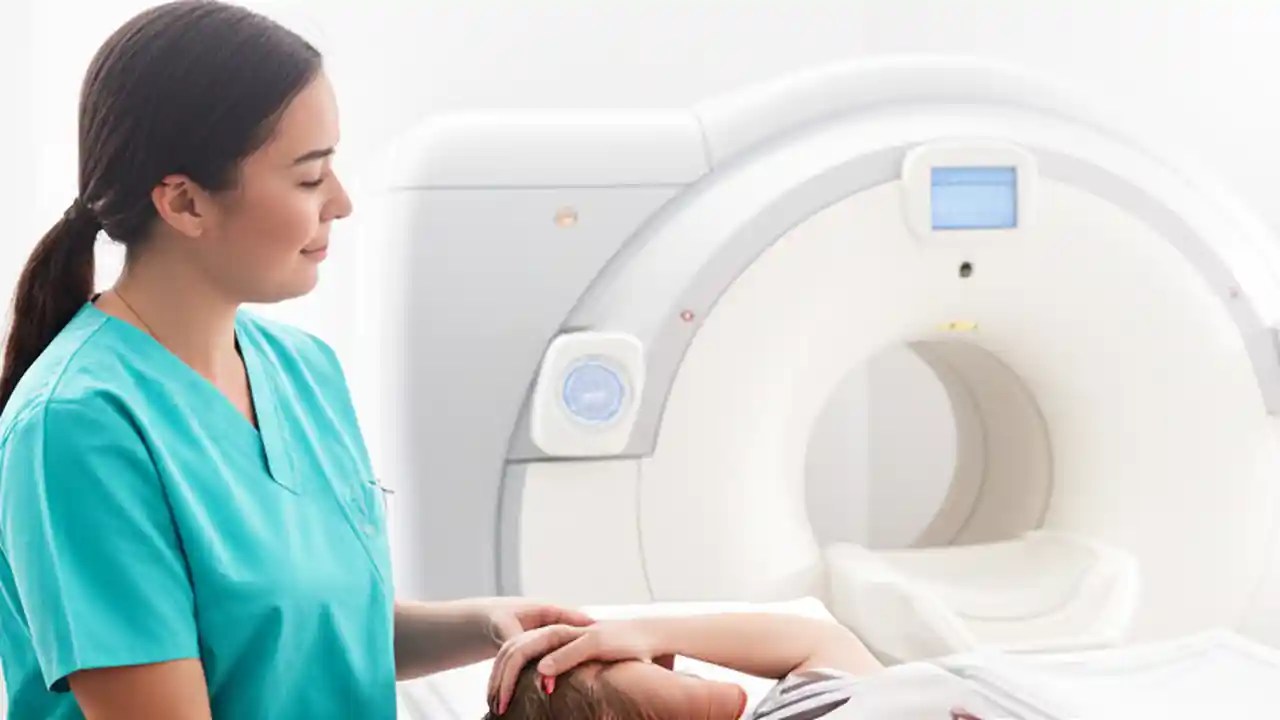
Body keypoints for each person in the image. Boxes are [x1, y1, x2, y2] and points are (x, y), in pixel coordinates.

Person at [0, 2, 588, 718]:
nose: (340, 202)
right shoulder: (76, 428)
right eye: (310, 178)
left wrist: (488, 625)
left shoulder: (304, 369)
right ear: (185, 203)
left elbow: (304, 636)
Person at [486, 613, 999, 720]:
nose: (657, 660)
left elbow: (818, 639)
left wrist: (652, 631)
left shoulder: (793, 702)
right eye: (602, 669)